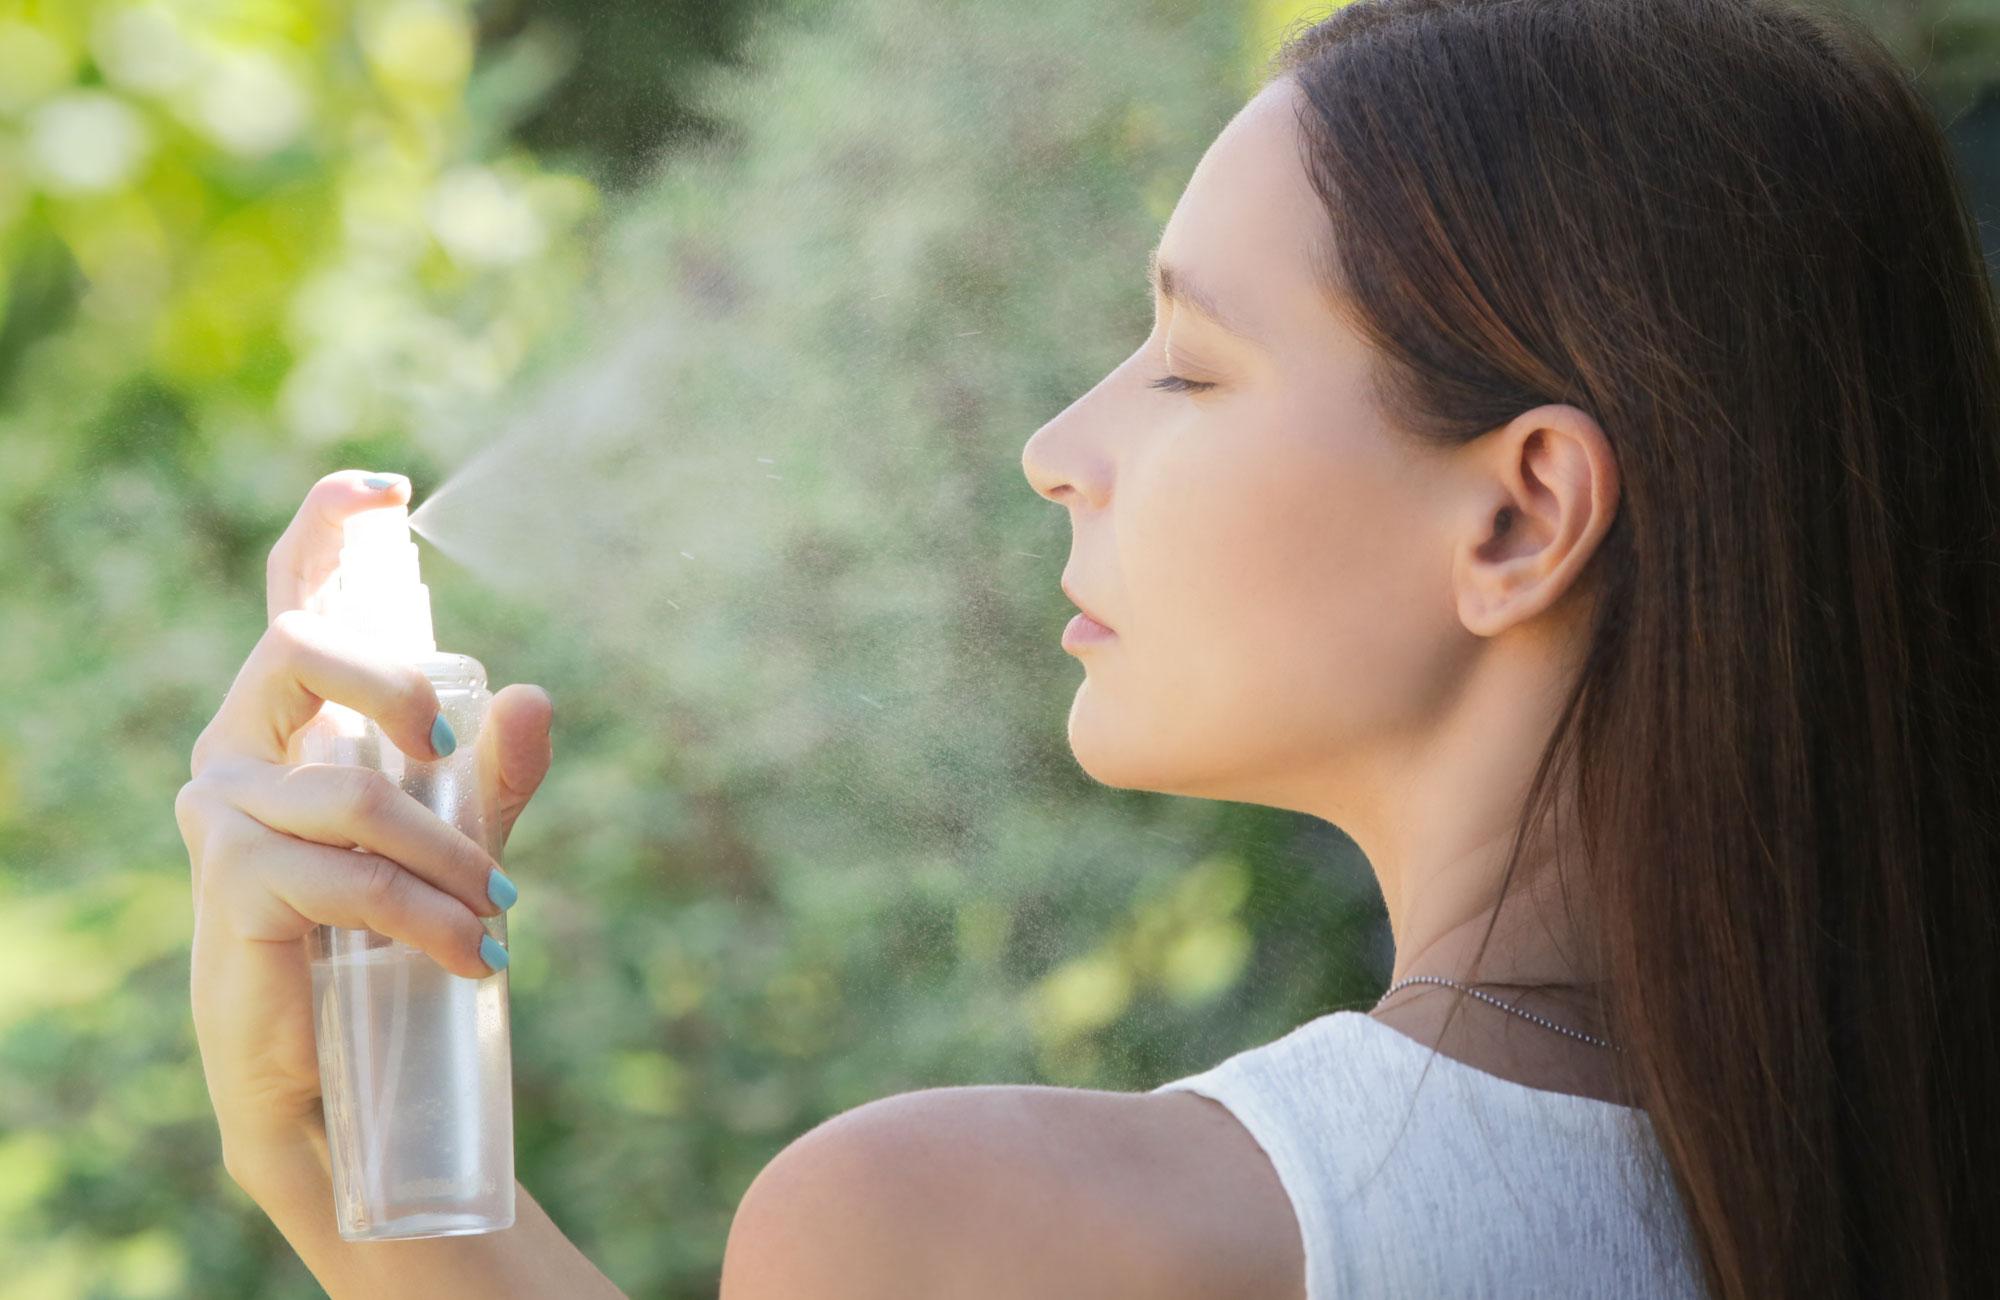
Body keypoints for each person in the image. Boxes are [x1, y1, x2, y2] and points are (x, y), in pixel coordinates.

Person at [174, 0, 2000, 1295]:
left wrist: (361, 1181)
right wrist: (372, 1185)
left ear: (1519, 517)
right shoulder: (1890, 1174)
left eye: (1190, 364)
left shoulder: (969, 1234)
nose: (1062, 446)